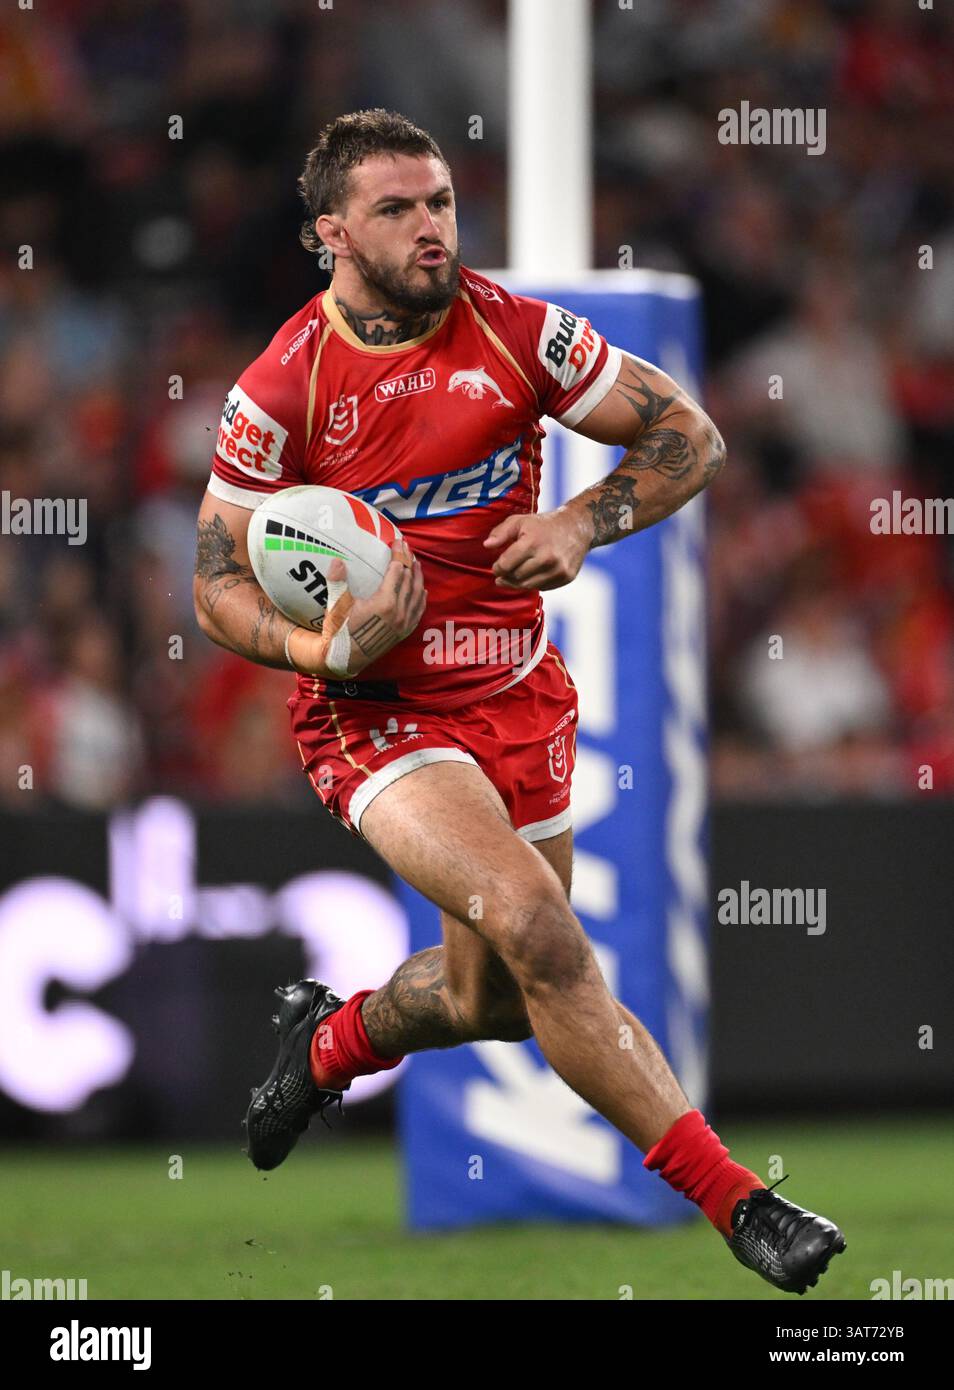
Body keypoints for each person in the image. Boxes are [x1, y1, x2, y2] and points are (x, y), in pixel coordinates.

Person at [192, 109, 844, 1295]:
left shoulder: (522, 336)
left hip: (516, 691)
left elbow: (687, 438)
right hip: (375, 711)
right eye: (397, 209)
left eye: (439, 201)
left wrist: (581, 521)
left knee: (494, 998)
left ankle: (328, 1038)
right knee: (544, 929)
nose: (431, 226)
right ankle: (740, 1202)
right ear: (331, 233)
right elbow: (214, 582)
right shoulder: (285, 384)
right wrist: (319, 649)